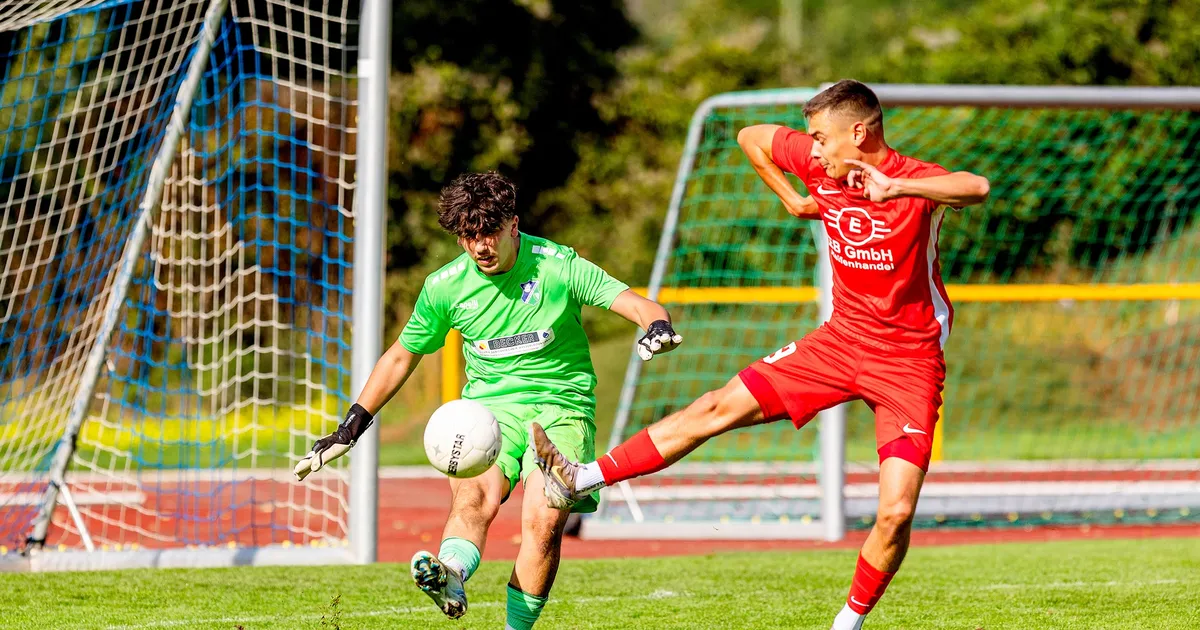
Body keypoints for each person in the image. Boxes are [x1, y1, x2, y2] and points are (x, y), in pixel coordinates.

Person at [530, 79, 990, 630]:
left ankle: (848, 621)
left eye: (821, 139)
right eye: (811, 140)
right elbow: (752, 137)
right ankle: (580, 478)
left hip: (907, 363)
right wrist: (789, 196)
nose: (813, 150)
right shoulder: (819, 167)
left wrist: (894, 191)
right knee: (714, 406)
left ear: (859, 133)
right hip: (840, 341)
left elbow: (976, 186)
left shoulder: (915, 180)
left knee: (894, 513)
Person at [293, 171, 682, 629]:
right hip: (488, 414)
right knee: (474, 499)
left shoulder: (557, 264)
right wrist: (351, 426)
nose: (481, 246)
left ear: (513, 224)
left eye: (490, 232)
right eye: (468, 236)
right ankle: (452, 575)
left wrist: (657, 326)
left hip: (561, 408)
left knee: (542, 521)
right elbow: (402, 355)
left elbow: (636, 304)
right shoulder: (446, 287)